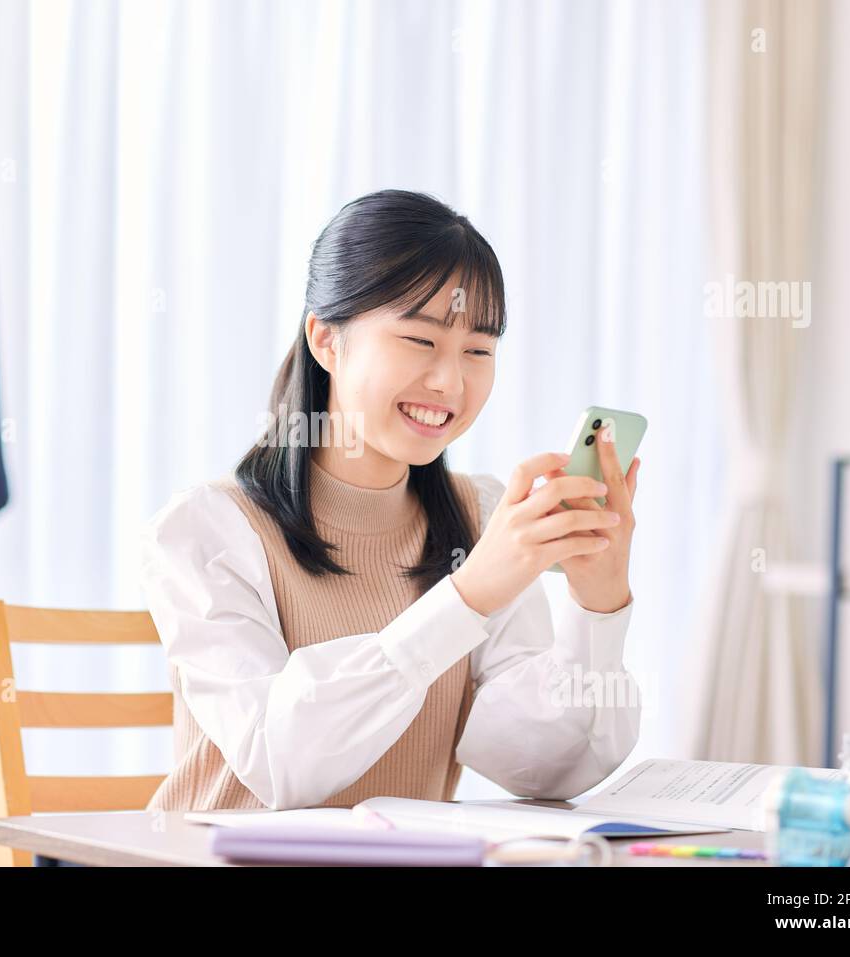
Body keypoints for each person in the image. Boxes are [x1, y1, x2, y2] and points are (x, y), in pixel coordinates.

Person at [142, 189, 641, 812]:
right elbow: (280, 761)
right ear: (327, 340)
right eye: (420, 341)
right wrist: (467, 595)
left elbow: (544, 769)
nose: (450, 382)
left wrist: (597, 604)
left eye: (478, 351)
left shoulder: (480, 519)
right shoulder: (206, 530)